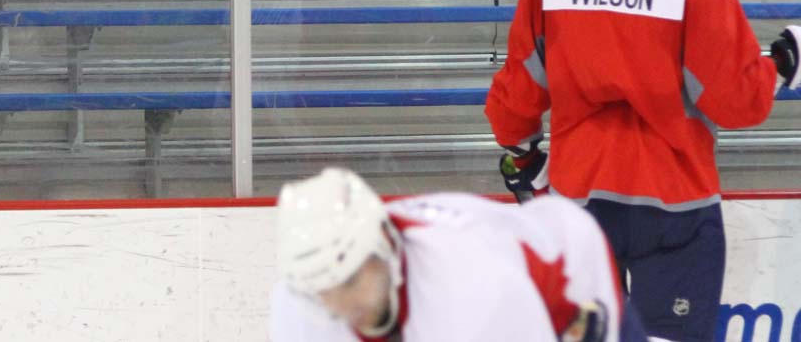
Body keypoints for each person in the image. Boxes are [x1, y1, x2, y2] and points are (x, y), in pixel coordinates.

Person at [484, 0, 801, 342]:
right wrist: (784, 63)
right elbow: (736, 101)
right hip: (675, 203)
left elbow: (517, 96)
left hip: (579, 199)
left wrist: (522, 151)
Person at [270, 167, 649, 342]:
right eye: (324, 290)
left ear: (384, 246)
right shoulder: (298, 307)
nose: (341, 303)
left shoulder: (470, 291)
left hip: (567, 291)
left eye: (351, 279)